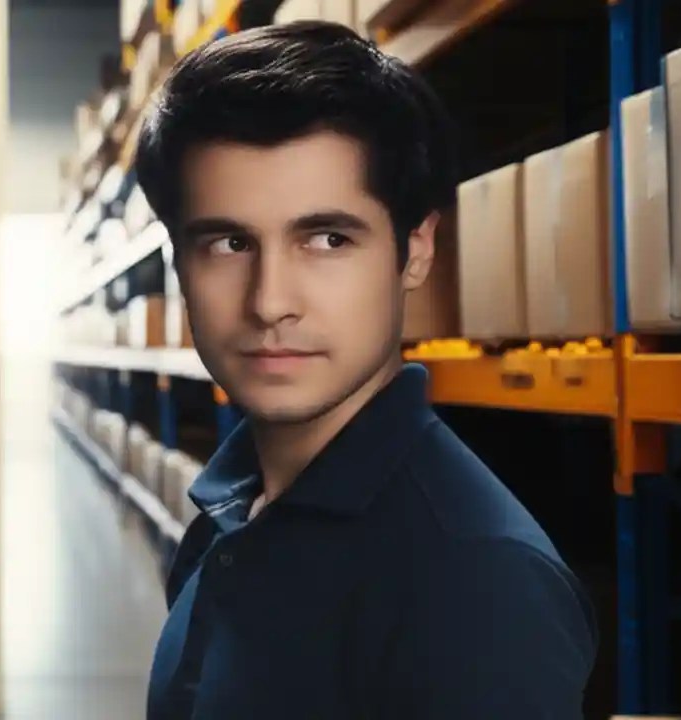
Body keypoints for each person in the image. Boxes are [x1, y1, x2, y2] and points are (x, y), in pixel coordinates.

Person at [133, 20, 598, 719]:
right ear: (179, 262)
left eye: (326, 238)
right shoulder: (232, 516)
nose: (270, 303)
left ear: (414, 252)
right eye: (229, 242)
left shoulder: (476, 584)